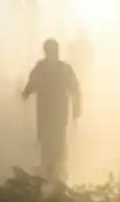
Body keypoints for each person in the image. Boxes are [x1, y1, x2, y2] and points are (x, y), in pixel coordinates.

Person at [22, 38, 82, 182]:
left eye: (51, 50)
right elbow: (31, 85)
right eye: (48, 50)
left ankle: (59, 173)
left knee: (57, 141)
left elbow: (75, 91)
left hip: (57, 113)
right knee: (46, 140)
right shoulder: (43, 68)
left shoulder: (61, 69)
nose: (50, 53)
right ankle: (49, 172)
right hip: (46, 112)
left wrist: (76, 111)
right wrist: (25, 93)